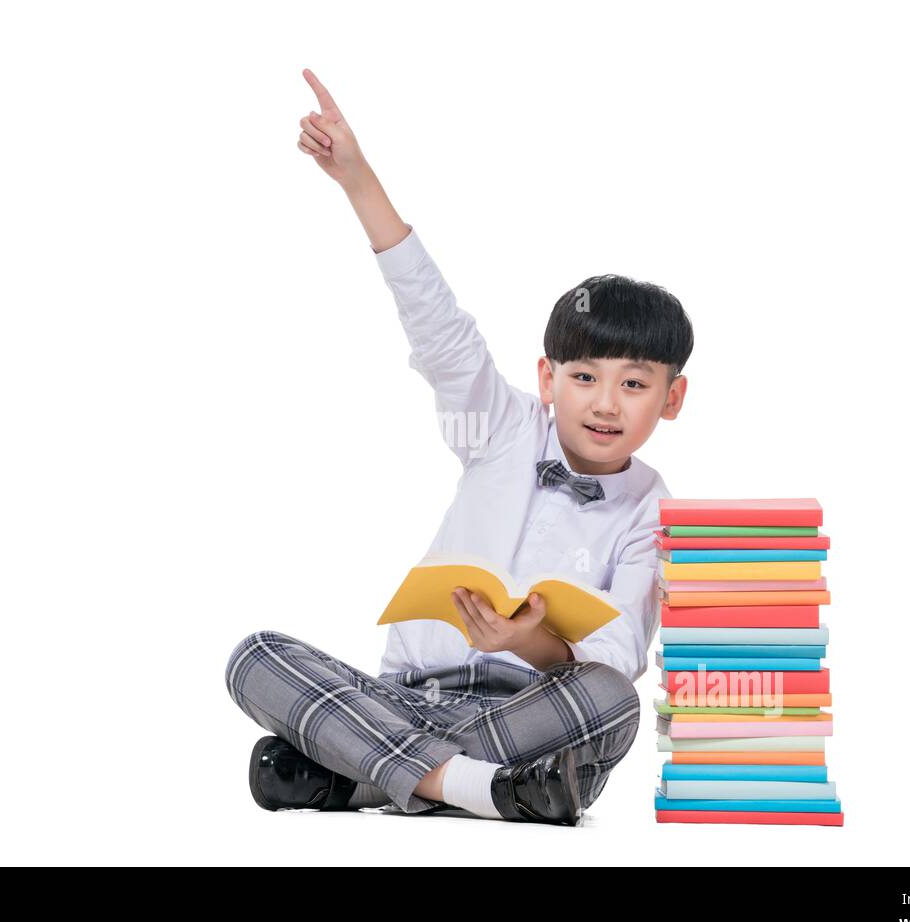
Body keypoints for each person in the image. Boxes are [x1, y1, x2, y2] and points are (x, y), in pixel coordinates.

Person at [225, 68, 692, 826]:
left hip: (530, 711)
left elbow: (612, 654)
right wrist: (356, 178)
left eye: (635, 384)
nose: (605, 402)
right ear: (547, 378)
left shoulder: (652, 507)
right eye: (584, 376)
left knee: (615, 702)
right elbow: (436, 327)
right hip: (411, 696)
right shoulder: (498, 426)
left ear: (671, 398)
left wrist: (532, 639)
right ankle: (470, 787)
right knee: (255, 654)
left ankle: (364, 772)